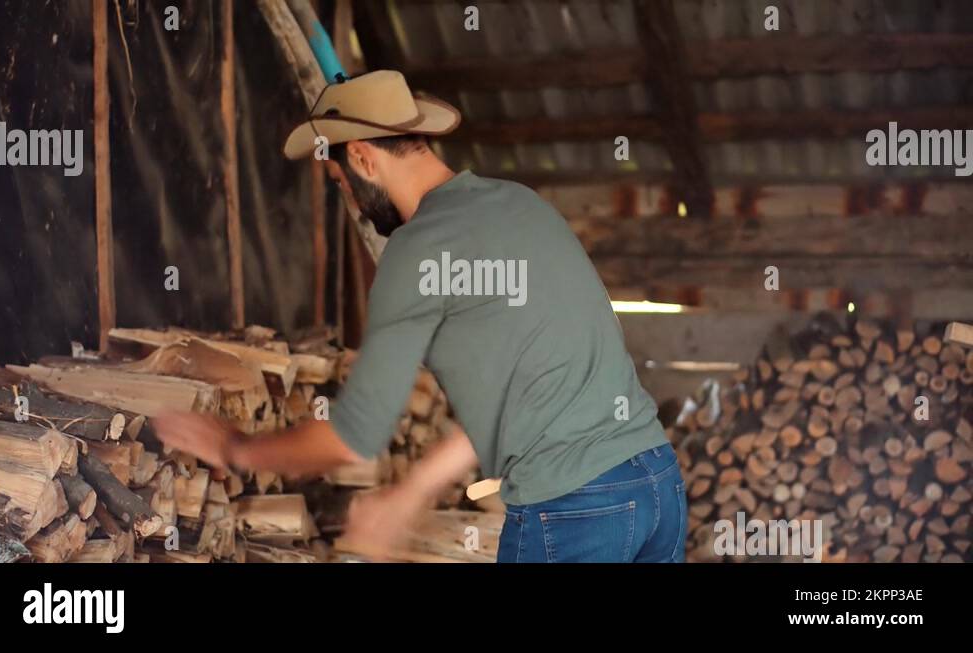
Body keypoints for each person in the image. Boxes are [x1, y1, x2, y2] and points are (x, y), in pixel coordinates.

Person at [154, 70, 687, 563]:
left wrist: (236, 446)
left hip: (575, 509)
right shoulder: (521, 206)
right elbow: (518, 401)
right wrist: (409, 493)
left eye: (340, 184)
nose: (354, 205)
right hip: (656, 485)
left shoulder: (417, 249)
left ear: (363, 159)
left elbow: (351, 437)